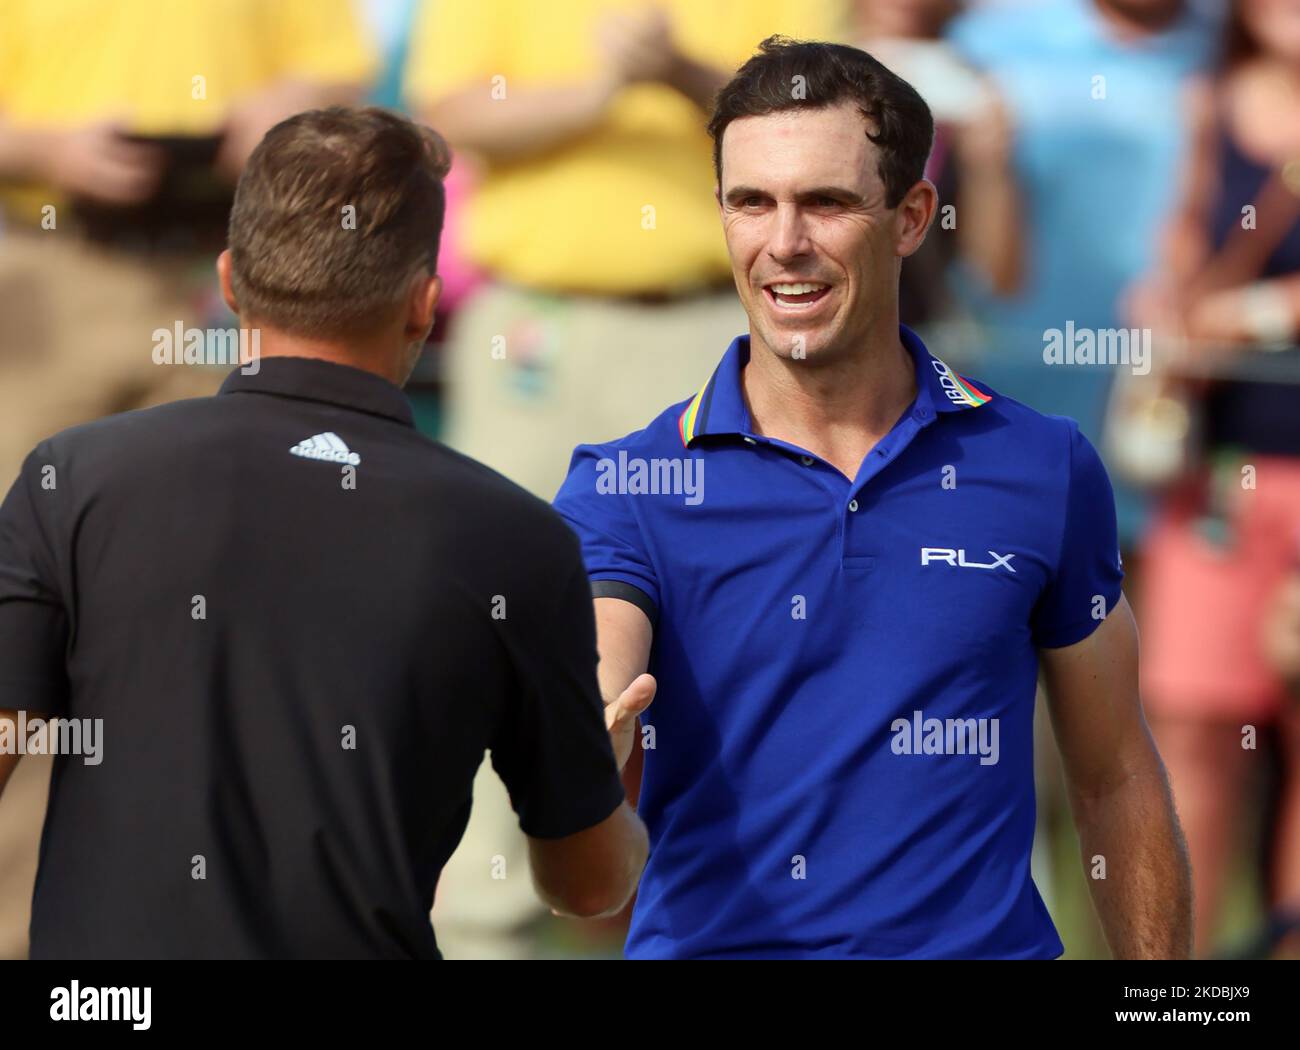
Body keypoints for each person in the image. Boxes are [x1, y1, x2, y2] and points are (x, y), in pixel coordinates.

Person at [554, 37, 1192, 959]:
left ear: (912, 214)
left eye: (826, 202)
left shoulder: (1040, 464)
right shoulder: (627, 483)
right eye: (750, 203)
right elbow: (602, 686)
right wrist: (584, 741)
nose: (784, 244)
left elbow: (1116, 773)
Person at [0, 107, 647, 958]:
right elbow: (588, 887)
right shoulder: (517, 537)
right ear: (423, 307)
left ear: (229, 284)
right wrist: (600, 772)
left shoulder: (70, 478)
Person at [404, 0, 842, 957]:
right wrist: (600, 91)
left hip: (708, 322)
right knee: (491, 622)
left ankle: (706, 917)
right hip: (537, 324)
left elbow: (819, 128)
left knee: (725, 635)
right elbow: (449, 115)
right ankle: (483, 922)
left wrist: (681, 73)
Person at [0, 0, 379, 959]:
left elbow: (343, 72)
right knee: (22, 622)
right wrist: (50, 143)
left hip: (221, 287)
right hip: (43, 274)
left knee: (198, 615)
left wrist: (285, 112)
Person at [1124, 0, 1300, 957]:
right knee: (1189, 725)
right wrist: (1171, 302)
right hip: (1215, 478)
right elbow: (1182, 249)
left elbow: (1249, 304)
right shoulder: (1209, 106)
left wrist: (1262, 312)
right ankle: (1180, 986)